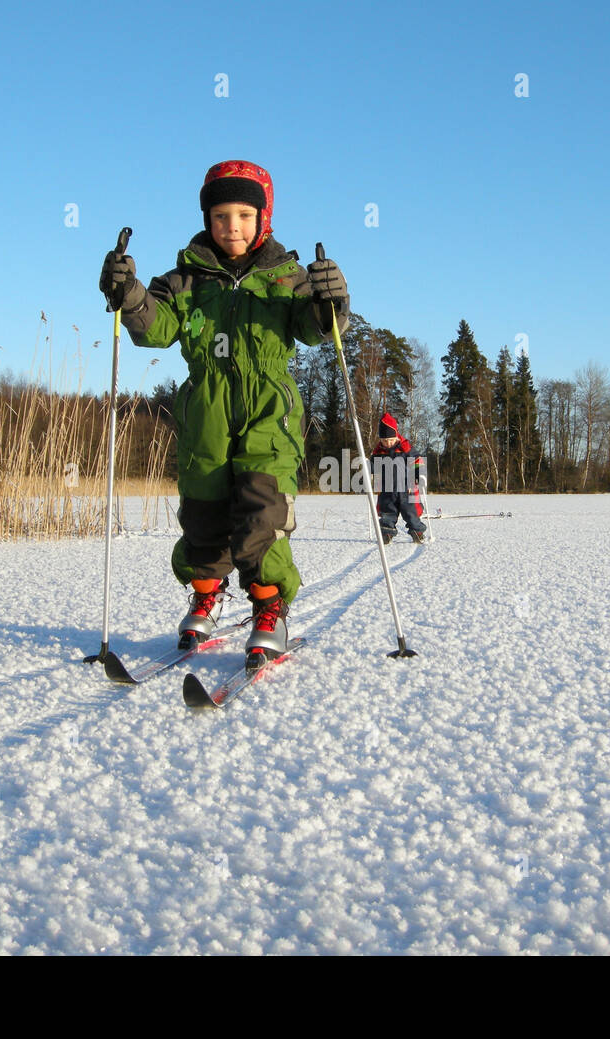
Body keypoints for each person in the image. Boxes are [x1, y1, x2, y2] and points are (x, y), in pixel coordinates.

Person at [98, 160, 349, 671]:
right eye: (218, 215)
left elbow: (317, 328)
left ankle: (269, 606)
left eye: (242, 214)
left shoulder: (286, 277)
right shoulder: (185, 278)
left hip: (268, 412)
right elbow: (156, 327)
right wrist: (128, 294)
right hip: (205, 413)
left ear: (264, 217)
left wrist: (331, 300)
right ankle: (206, 595)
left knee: (262, 513)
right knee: (203, 514)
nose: (229, 225)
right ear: (206, 219)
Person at [371, 412, 427, 545]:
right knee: (387, 512)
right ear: (380, 440)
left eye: (391, 440)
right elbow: (373, 467)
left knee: (411, 512)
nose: (388, 443)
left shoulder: (405, 449)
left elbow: (417, 461)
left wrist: (420, 474)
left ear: (396, 436)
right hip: (387, 488)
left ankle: (417, 532)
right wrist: (368, 472)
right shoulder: (378, 452)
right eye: (384, 441)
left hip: (407, 488)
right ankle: (386, 533)